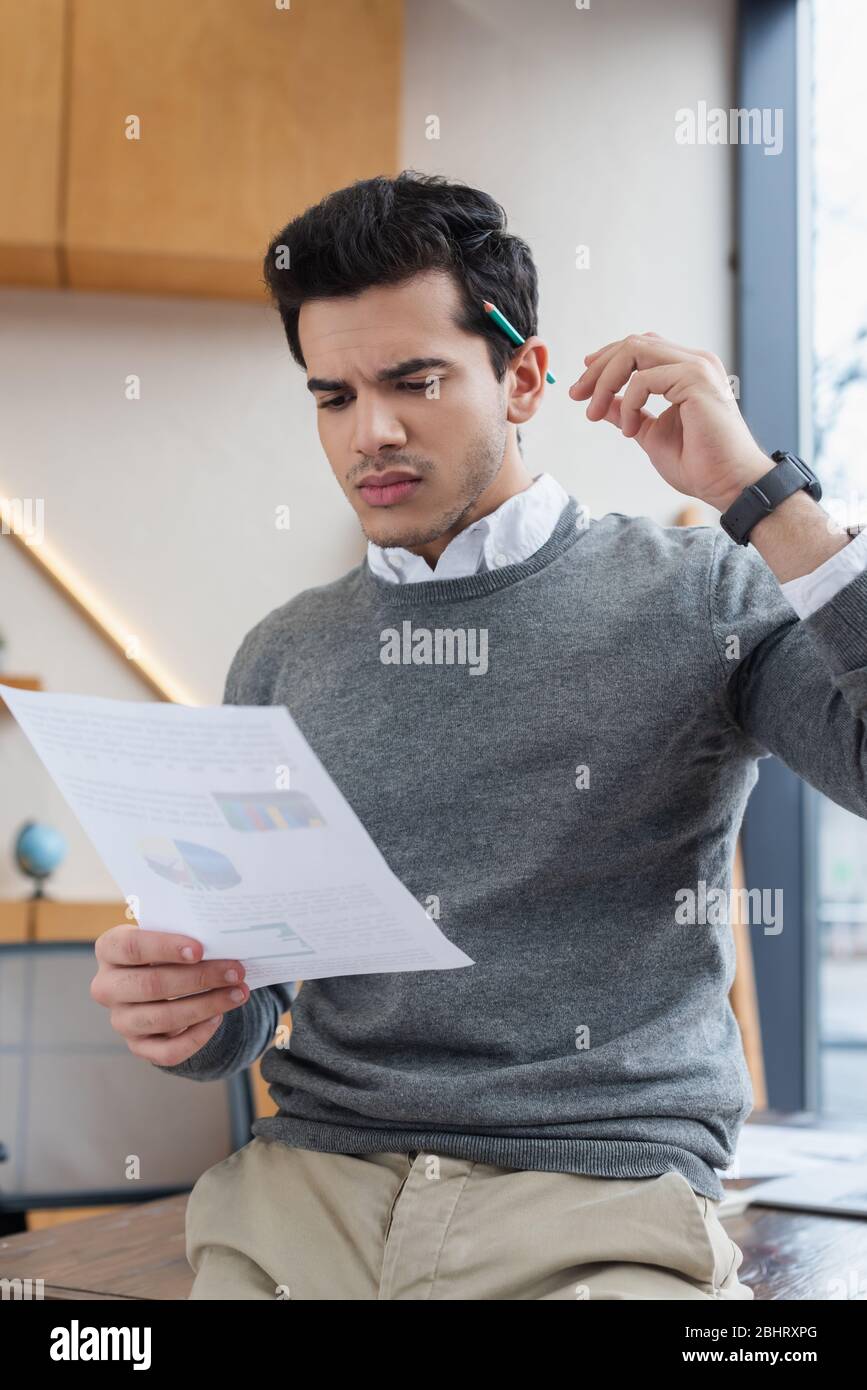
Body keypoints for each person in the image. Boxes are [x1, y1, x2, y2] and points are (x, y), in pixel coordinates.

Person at [91, 171, 867, 1300]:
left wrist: (760, 491)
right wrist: (190, 1012)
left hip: (597, 1203)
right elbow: (254, 1004)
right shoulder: (280, 654)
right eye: (333, 396)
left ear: (523, 377)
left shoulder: (702, 593)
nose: (375, 432)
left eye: (414, 380)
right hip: (309, 1196)